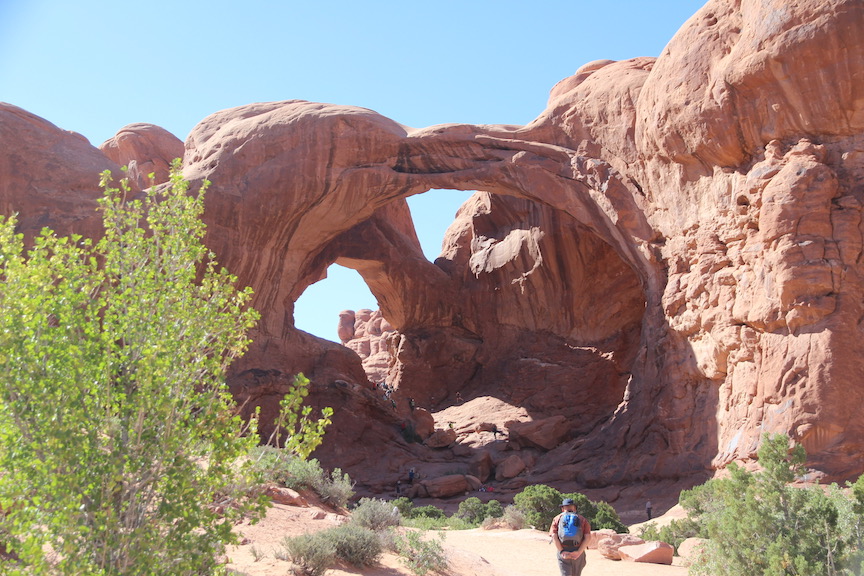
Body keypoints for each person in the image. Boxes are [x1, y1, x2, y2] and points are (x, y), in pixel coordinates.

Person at [549, 498, 591, 576]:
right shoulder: (582, 519)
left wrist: (562, 551)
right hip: (578, 550)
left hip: (564, 550)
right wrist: (579, 552)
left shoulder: (557, 519)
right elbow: (588, 537)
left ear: (563, 508)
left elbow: (554, 536)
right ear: (574, 508)